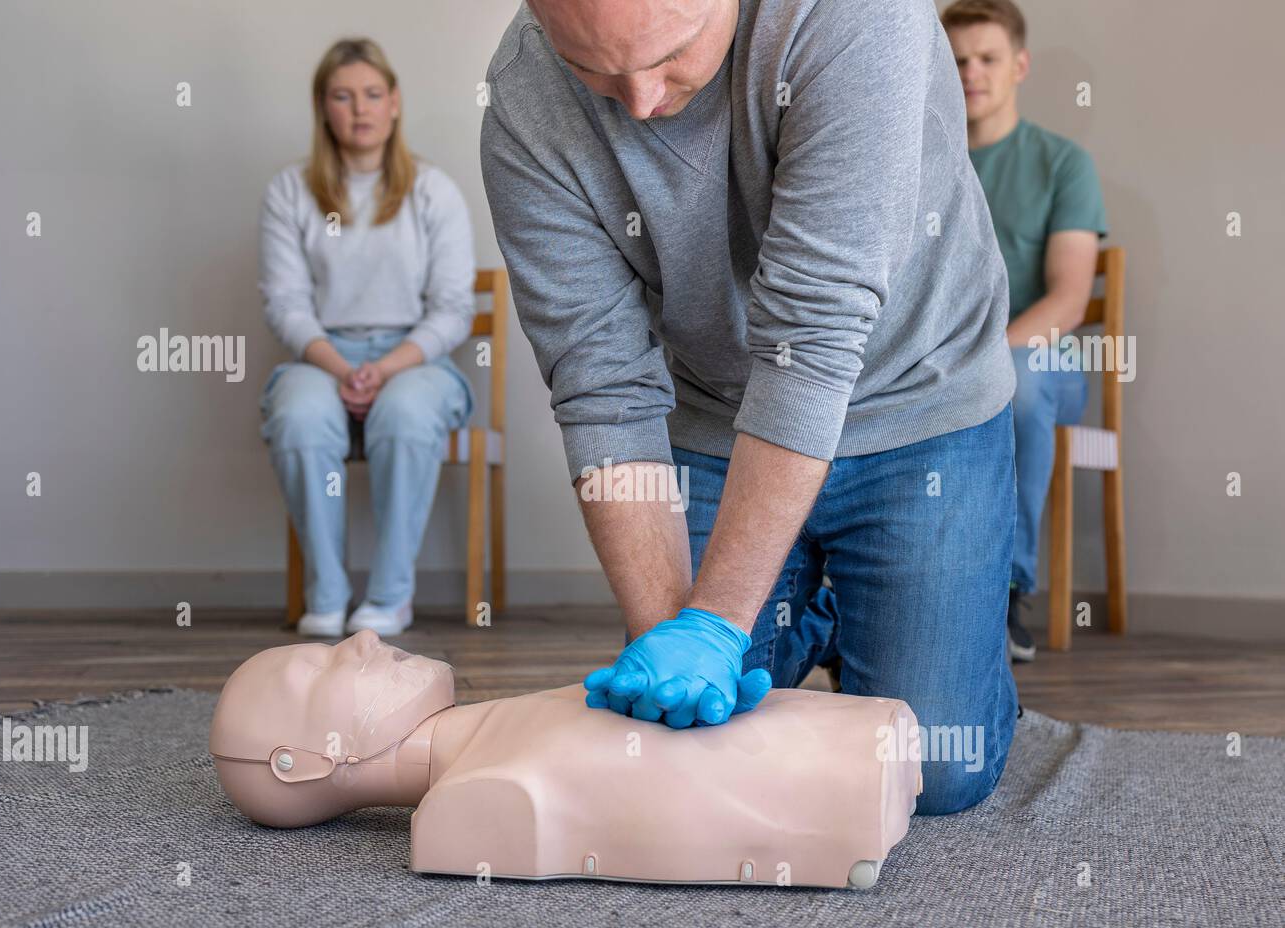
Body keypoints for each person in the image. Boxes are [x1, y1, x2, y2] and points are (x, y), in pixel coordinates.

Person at [480, 0, 1019, 815]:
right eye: (595, 70)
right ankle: (827, 604)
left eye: (671, 57)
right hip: (715, 413)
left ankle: (870, 609)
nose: (641, 102)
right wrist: (675, 646)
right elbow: (602, 384)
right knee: (679, 737)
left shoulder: (859, 16)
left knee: (938, 770)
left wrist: (718, 626)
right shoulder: (523, 100)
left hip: (920, 395)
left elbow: (812, 339)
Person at [257, 38, 477, 639]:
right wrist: (340, 366)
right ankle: (325, 595)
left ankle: (390, 598)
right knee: (298, 413)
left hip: (414, 358)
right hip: (324, 355)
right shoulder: (289, 192)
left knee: (405, 412)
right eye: (343, 96)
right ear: (322, 107)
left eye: (373, 94)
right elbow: (286, 304)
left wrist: (385, 369)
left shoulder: (433, 191)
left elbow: (453, 310)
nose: (360, 109)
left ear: (395, 102)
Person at [942, 0, 1109, 661]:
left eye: (985, 58)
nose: (970, 73)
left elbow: (1069, 300)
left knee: (1023, 383)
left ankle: (1009, 589)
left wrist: (982, 363)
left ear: (1019, 65)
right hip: (940, 363)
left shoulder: (1062, 163)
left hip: (1043, 363)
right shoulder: (922, 163)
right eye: (956, 61)